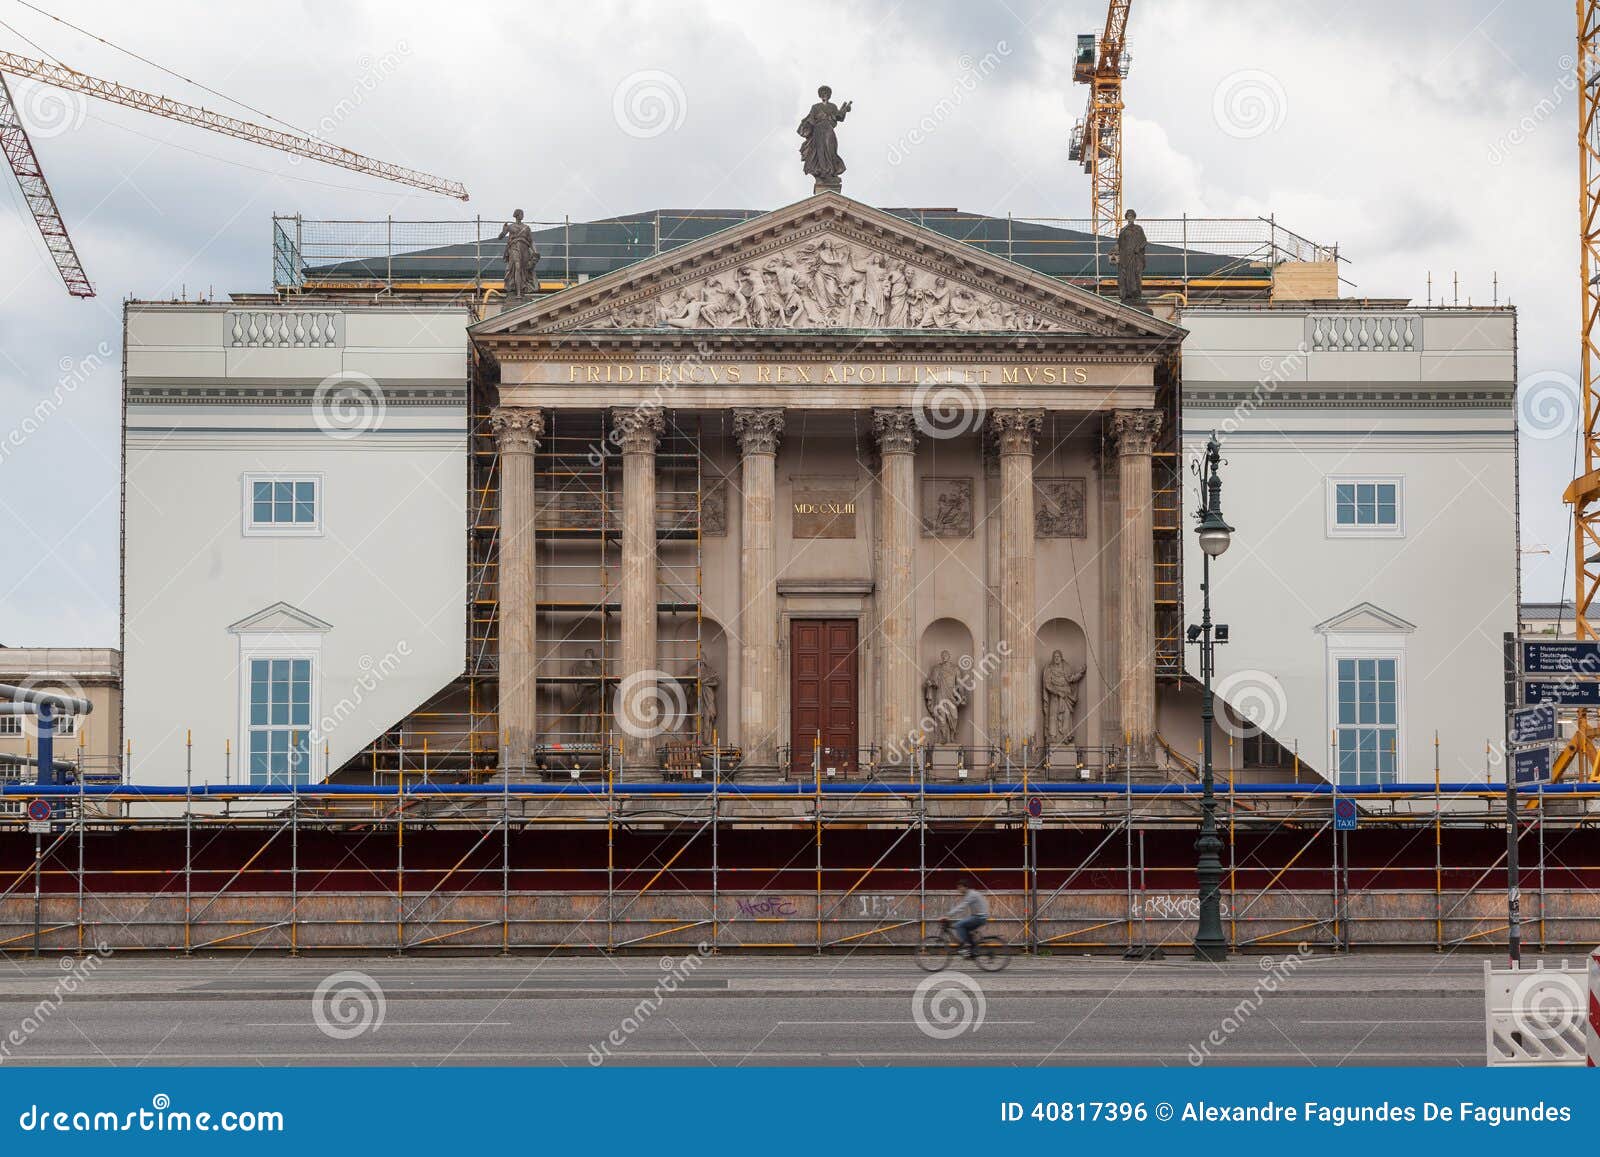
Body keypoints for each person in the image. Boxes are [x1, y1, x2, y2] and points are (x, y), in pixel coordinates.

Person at [944, 875, 989, 960]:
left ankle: (966, 947)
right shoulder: (971, 894)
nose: (958, 889)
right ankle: (973, 950)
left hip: (979, 917)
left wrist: (948, 915)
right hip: (979, 916)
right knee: (966, 930)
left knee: (959, 925)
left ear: (965, 887)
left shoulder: (971, 895)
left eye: (960, 887)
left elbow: (962, 906)